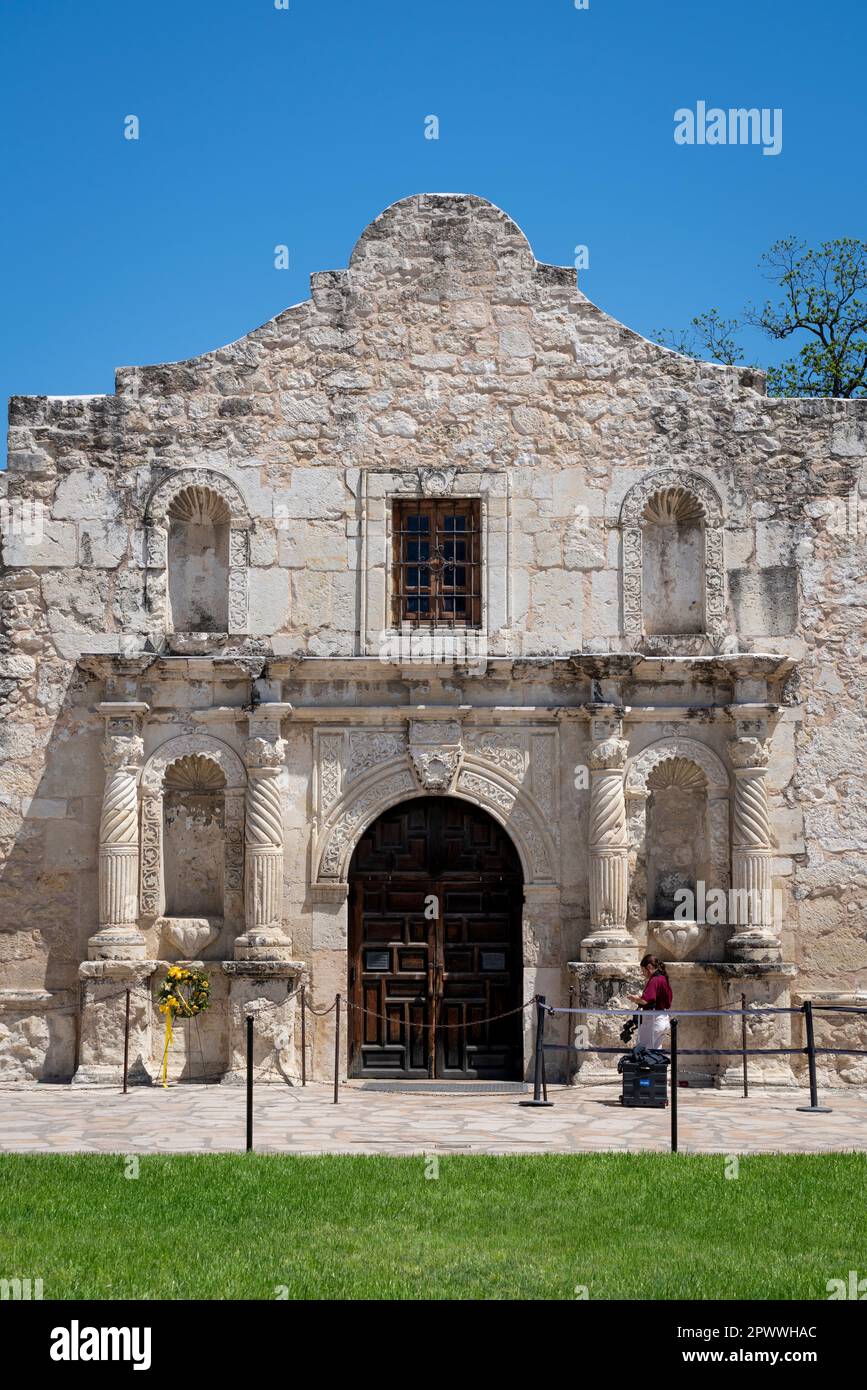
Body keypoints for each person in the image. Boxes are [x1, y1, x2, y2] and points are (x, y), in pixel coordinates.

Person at [628, 954, 672, 1051]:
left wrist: (635, 998)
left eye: (643, 970)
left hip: (653, 1021)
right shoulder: (663, 978)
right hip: (663, 1019)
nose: (643, 973)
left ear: (649, 967)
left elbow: (645, 1000)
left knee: (642, 1050)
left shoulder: (654, 980)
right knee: (655, 1052)